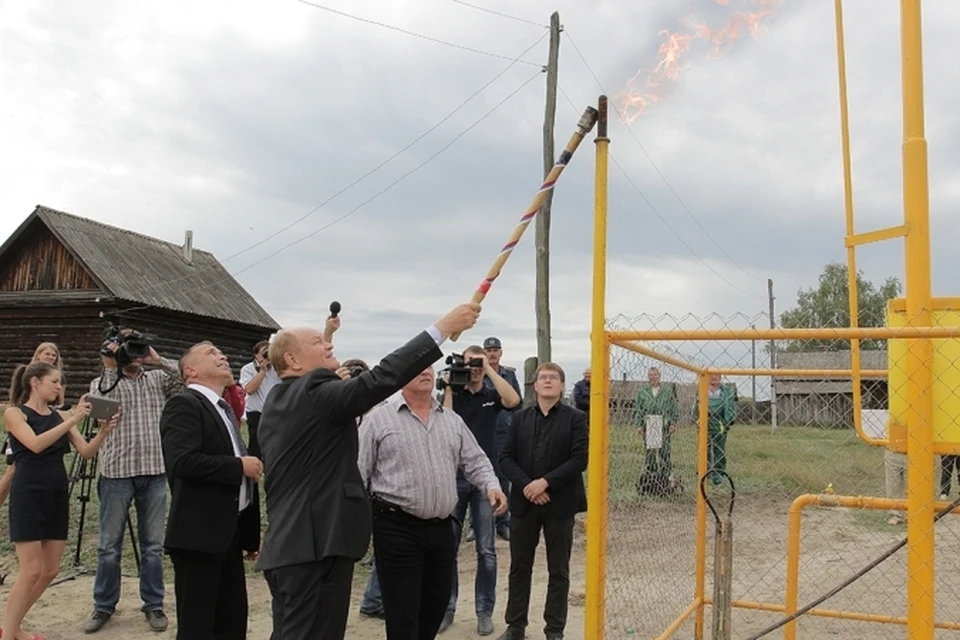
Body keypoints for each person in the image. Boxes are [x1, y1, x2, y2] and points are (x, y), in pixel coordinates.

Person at [256, 302, 481, 640]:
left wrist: (325, 339)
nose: (328, 344)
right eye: (318, 341)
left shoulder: (280, 400)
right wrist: (443, 328)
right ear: (293, 360)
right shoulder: (314, 393)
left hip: (291, 548)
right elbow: (381, 378)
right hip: (317, 549)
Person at [358, 365, 507, 639]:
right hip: (396, 526)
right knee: (403, 611)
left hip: (441, 528)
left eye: (428, 367)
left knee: (435, 605)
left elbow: (476, 460)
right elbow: (359, 472)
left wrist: (492, 485)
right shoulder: (378, 419)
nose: (424, 372)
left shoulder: (451, 420)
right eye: (416, 367)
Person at [2, 362, 117, 640]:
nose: (59, 387)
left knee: (51, 569)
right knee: (31, 571)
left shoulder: (61, 416)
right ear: (35, 382)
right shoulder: (15, 413)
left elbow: (86, 452)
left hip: (55, 493)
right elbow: (34, 444)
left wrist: (103, 432)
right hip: (28, 493)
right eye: (54, 381)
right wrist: (72, 419)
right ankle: (8, 634)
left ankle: (12, 626)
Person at [159, 342, 263, 640]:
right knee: (198, 626)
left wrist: (248, 534)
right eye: (211, 353)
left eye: (221, 352)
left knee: (231, 622)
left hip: (228, 534)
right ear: (190, 370)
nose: (223, 356)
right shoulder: (184, 404)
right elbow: (182, 462)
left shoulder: (223, 410)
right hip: (199, 537)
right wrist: (238, 466)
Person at [84, 335, 182, 634]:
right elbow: (98, 409)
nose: (134, 354)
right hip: (117, 472)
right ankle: (103, 605)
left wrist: (157, 360)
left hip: (154, 470)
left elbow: (187, 381)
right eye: (129, 349)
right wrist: (110, 365)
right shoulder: (103, 381)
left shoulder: (158, 379)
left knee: (153, 545)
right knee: (108, 546)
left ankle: (153, 604)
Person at [497, 362, 588, 640]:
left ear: (562, 385)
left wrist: (545, 483)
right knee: (519, 567)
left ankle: (554, 630)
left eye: (553, 378)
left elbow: (579, 459)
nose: (548, 381)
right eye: (543, 378)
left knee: (558, 570)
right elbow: (505, 458)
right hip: (525, 504)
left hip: (560, 504)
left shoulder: (576, 418)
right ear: (535, 386)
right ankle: (515, 627)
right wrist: (528, 486)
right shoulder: (519, 419)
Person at [441, 345, 521, 635]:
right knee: (447, 549)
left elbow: (513, 401)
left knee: (486, 550)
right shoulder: (453, 394)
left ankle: (484, 611)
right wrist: (450, 387)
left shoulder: (490, 394)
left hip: (485, 480)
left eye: (476, 363)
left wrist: (488, 369)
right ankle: (447, 608)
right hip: (454, 478)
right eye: (469, 363)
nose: (472, 368)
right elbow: (445, 423)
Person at [0, 342, 65, 509]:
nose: (50, 357)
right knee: (13, 469)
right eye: (47, 354)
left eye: (54, 355)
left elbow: (60, 403)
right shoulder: (29, 374)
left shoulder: (58, 378)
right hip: (25, 422)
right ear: (38, 354)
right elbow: (17, 396)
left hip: (46, 421)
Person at [482, 336, 523, 541]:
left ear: (501, 353)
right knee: (480, 477)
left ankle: (503, 522)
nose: (492, 354)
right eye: (488, 351)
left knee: (503, 476)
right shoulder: (478, 373)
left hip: (503, 431)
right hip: (482, 430)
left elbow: (516, 402)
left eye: (495, 350)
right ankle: (479, 523)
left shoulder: (509, 375)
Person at [633, 367, 679, 482]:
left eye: (655, 374)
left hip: (663, 424)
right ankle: (651, 473)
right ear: (648, 377)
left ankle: (665, 474)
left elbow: (673, 409)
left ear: (660, 376)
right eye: (651, 375)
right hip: (649, 423)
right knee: (650, 451)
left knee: (664, 450)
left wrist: (673, 423)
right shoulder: (642, 392)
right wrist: (639, 425)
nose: (653, 377)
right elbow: (638, 409)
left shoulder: (667, 392)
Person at [238, 341, 281, 458]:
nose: (268, 355)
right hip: (256, 413)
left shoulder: (277, 369)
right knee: (256, 445)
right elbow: (249, 389)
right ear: (256, 355)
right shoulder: (248, 369)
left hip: (275, 412)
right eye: (265, 352)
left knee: (275, 443)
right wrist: (262, 371)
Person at [692, 374, 736, 485]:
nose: (713, 377)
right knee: (704, 449)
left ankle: (718, 474)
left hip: (719, 424)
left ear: (720, 377)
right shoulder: (702, 390)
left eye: (716, 375)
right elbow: (695, 407)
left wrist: (728, 421)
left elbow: (731, 408)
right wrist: (697, 420)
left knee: (719, 450)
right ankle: (704, 472)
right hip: (704, 423)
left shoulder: (726, 392)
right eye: (711, 375)